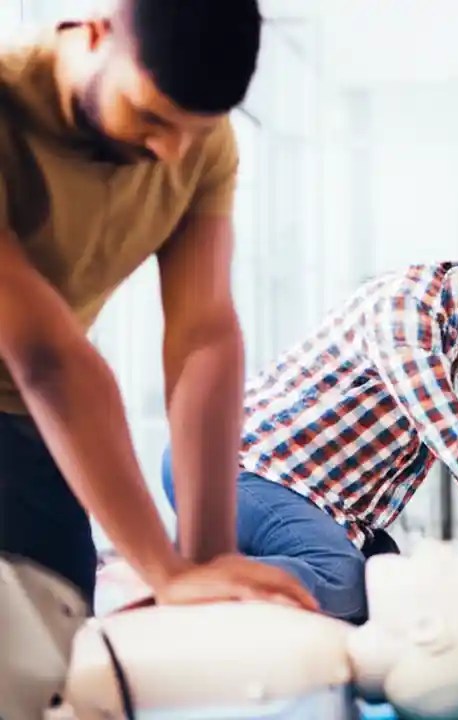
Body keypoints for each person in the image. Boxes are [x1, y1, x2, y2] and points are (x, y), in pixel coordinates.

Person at [0, 0, 314, 613]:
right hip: (36, 379)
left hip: (33, 424)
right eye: (149, 117)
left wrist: (206, 562)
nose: (172, 152)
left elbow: (203, 335)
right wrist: (163, 571)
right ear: (94, 34)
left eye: (194, 132)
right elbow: (46, 354)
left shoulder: (200, 140)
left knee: (59, 647)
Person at [162, 224, 458, 622]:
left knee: (389, 579)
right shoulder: (405, 309)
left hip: (310, 496)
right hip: (232, 468)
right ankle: (180, 575)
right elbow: (448, 426)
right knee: (344, 580)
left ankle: (228, 557)